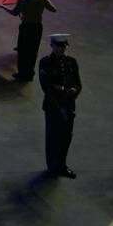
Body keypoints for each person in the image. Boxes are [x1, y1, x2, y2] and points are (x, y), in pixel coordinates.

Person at [38, 34, 80, 178]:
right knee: (52, 137)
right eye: (59, 46)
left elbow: (77, 82)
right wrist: (63, 91)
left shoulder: (71, 62)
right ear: (52, 46)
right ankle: (52, 166)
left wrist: (74, 91)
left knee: (66, 136)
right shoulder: (45, 62)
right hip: (53, 105)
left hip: (69, 104)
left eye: (64, 46)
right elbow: (46, 86)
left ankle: (62, 164)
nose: (62, 49)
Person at [8, 0, 57, 82]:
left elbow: (14, 13)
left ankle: (22, 72)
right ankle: (30, 72)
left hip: (26, 27)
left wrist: (2, 6)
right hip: (37, 27)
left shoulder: (22, 0)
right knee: (33, 50)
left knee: (22, 50)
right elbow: (53, 9)